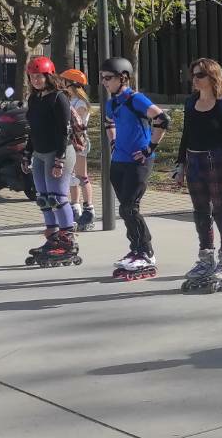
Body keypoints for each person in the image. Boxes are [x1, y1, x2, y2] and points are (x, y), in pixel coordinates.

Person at [172, 58, 222, 291]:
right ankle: (205, 258)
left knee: (221, 211)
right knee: (201, 212)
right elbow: (186, 134)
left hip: (217, 161)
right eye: (193, 75)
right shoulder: (190, 103)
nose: (195, 79)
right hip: (195, 161)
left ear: (212, 77)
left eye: (200, 75)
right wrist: (180, 164)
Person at [101, 56, 170, 280]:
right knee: (126, 209)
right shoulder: (112, 102)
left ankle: (146, 252)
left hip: (138, 162)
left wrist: (150, 148)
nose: (104, 82)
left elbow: (162, 119)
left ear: (123, 77)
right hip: (119, 161)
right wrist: (113, 142)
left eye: (108, 78)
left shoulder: (136, 99)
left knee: (130, 207)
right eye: (102, 78)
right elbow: (109, 122)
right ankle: (136, 249)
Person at [22, 56, 79, 267]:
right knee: (43, 198)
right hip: (39, 153)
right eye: (33, 76)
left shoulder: (58, 98)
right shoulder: (34, 99)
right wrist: (27, 154)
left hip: (59, 152)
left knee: (57, 197)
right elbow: (33, 130)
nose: (36, 80)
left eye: (40, 76)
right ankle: (53, 238)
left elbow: (64, 131)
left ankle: (68, 241)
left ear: (49, 76)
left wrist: (59, 160)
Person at [61, 68, 94, 229]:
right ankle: (75, 207)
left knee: (82, 176)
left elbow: (77, 123)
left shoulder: (80, 103)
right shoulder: (68, 100)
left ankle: (89, 209)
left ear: (71, 84)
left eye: (64, 81)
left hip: (79, 141)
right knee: (72, 176)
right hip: (69, 142)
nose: (61, 84)